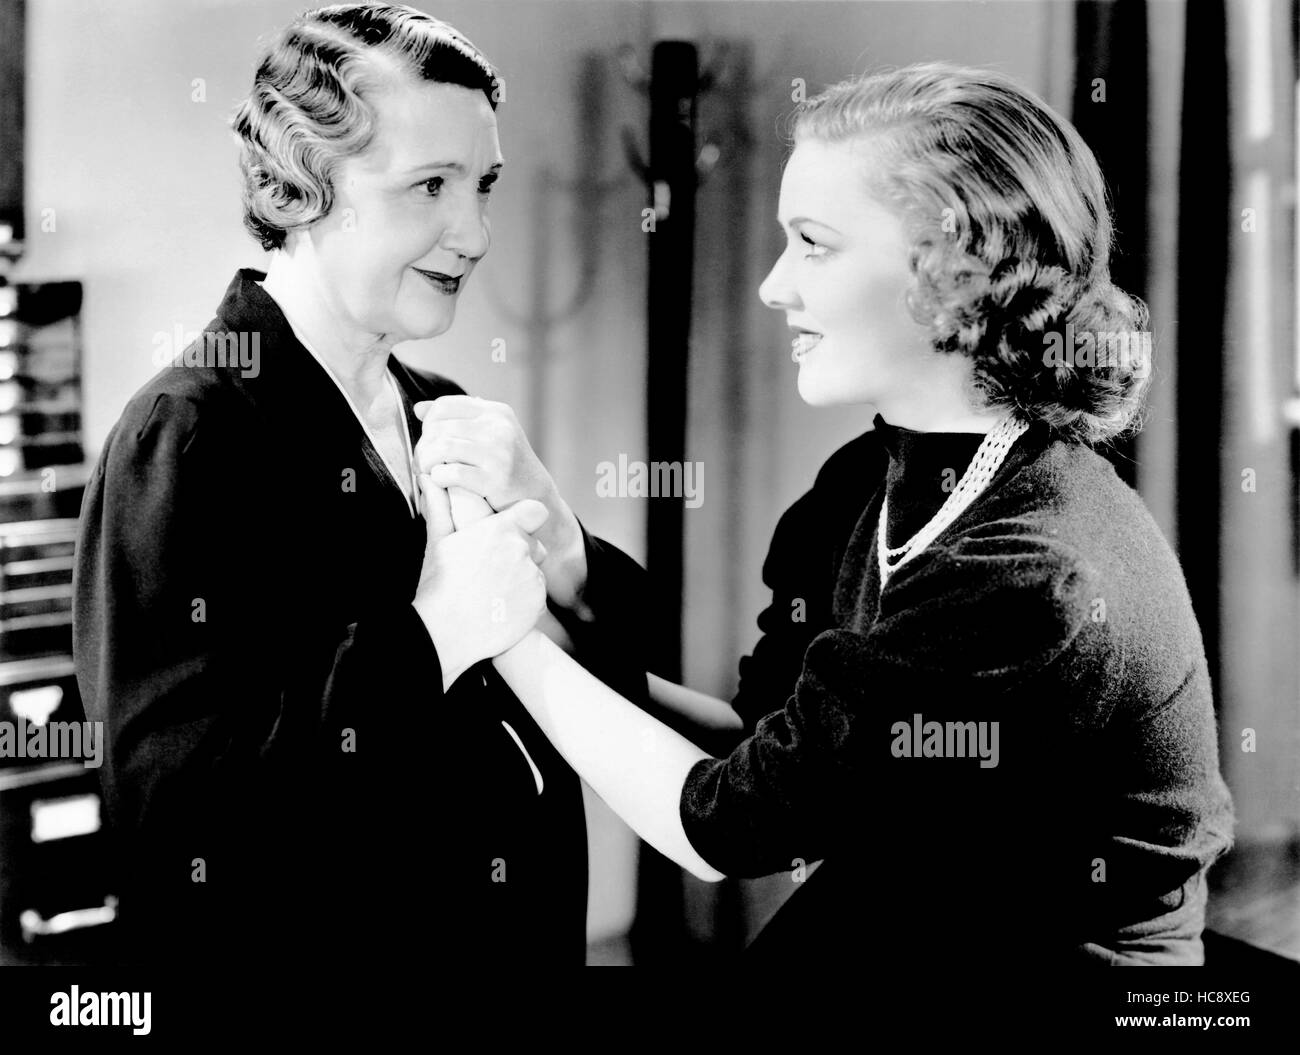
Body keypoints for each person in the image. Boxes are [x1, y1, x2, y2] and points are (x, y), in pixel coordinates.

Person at [440, 62, 1237, 965]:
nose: (773, 287)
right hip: (915, 915)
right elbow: (767, 747)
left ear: (955, 268)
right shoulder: (868, 478)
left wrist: (502, 637)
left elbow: (727, 826)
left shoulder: (1030, 572)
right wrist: (548, 546)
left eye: (813, 243)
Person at [73, 3, 644, 967]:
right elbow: (179, 820)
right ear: (303, 187)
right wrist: (433, 638)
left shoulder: (441, 408)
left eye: (484, 186)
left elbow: (620, 687)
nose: (474, 234)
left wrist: (566, 552)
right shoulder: (187, 433)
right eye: (429, 186)